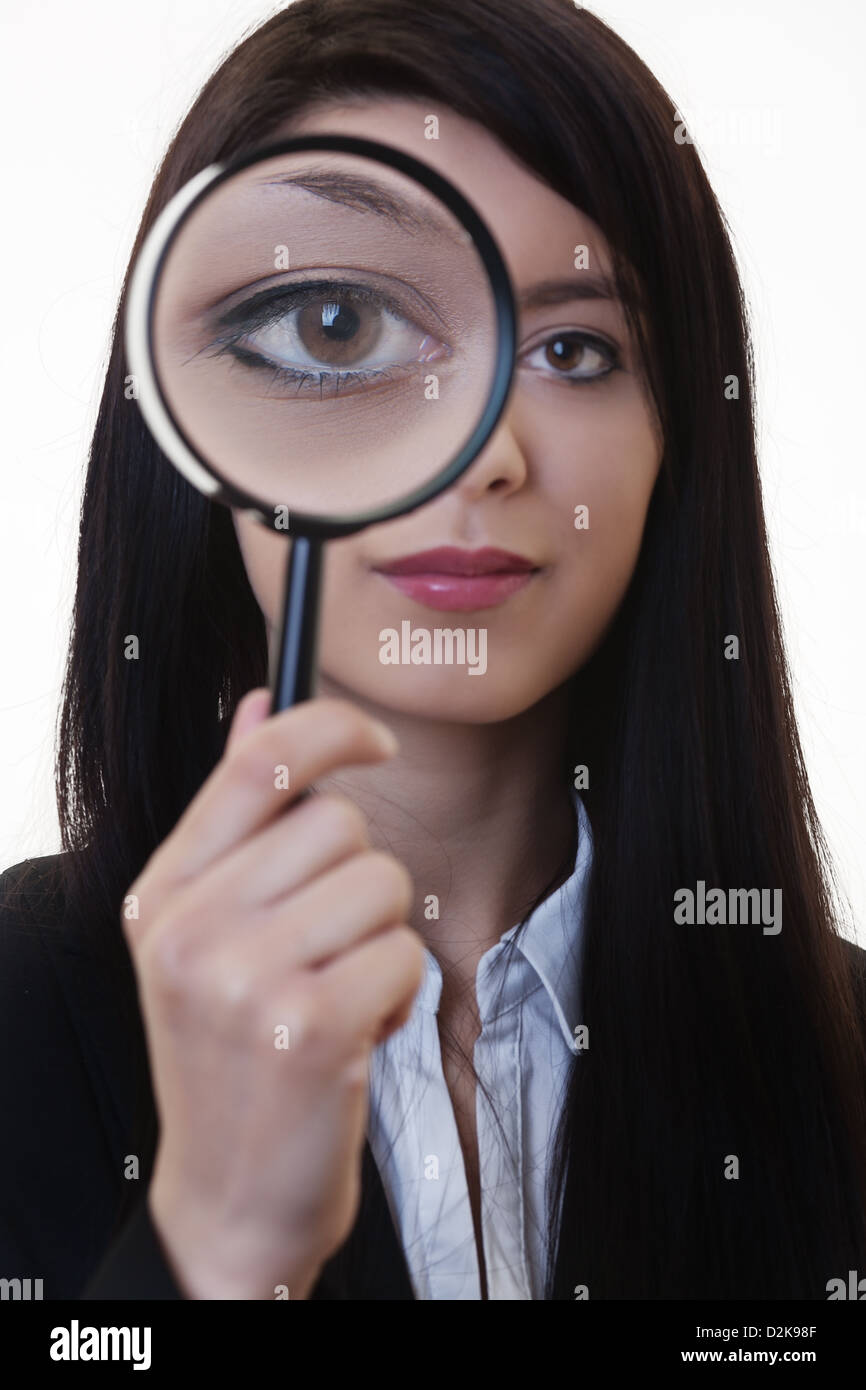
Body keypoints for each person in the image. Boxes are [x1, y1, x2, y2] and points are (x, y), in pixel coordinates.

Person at [2, 0, 865, 1302]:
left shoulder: (838, 1057)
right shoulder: (17, 1016)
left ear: (677, 436)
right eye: (335, 328)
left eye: (575, 347)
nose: (485, 453)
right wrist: (216, 1247)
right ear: (181, 426)